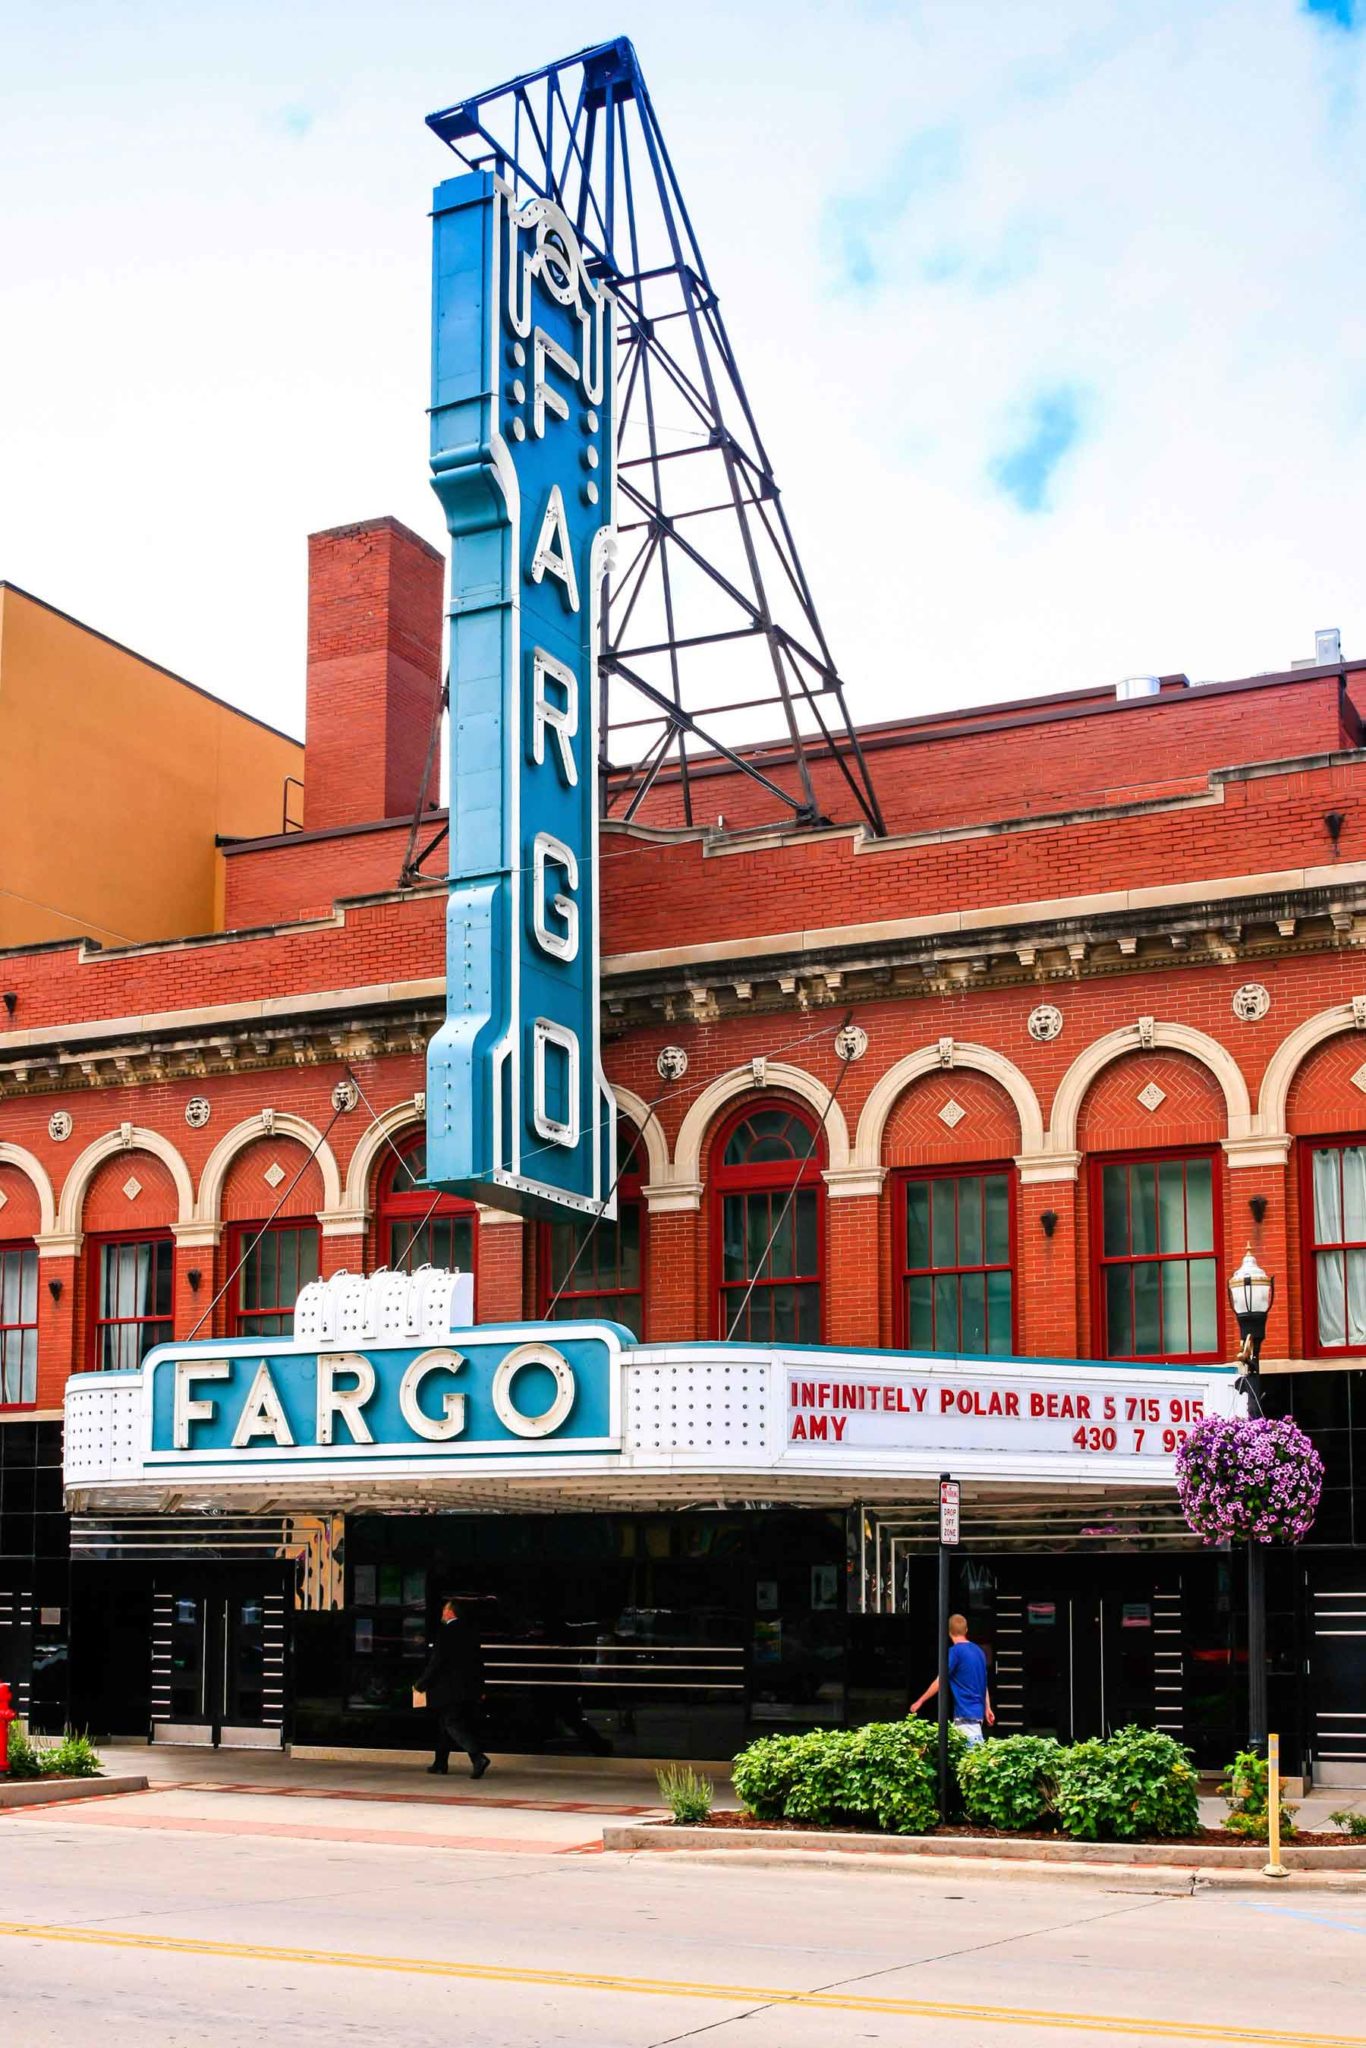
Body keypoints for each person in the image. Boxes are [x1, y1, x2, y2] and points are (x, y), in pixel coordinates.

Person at [416, 1596, 491, 1779]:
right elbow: (478, 1663)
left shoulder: (446, 1633)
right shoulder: (471, 1632)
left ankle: (477, 1757)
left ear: (450, 1612)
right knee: (445, 1725)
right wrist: (480, 1689)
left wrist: (421, 1683)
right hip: (467, 1688)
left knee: (451, 1723)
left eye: (444, 1610)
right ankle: (440, 1763)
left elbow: (436, 1662)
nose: (442, 1613)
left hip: (448, 1689)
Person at [909, 1613, 994, 1746]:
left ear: (948, 1632)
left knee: (971, 1761)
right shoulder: (979, 1651)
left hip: (965, 1715)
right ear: (966, 1630)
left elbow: (940, 1680)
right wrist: (987, 1707)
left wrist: (920, 1700)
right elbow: (983, 1682)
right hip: (977, 1714)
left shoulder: (954, 1652)